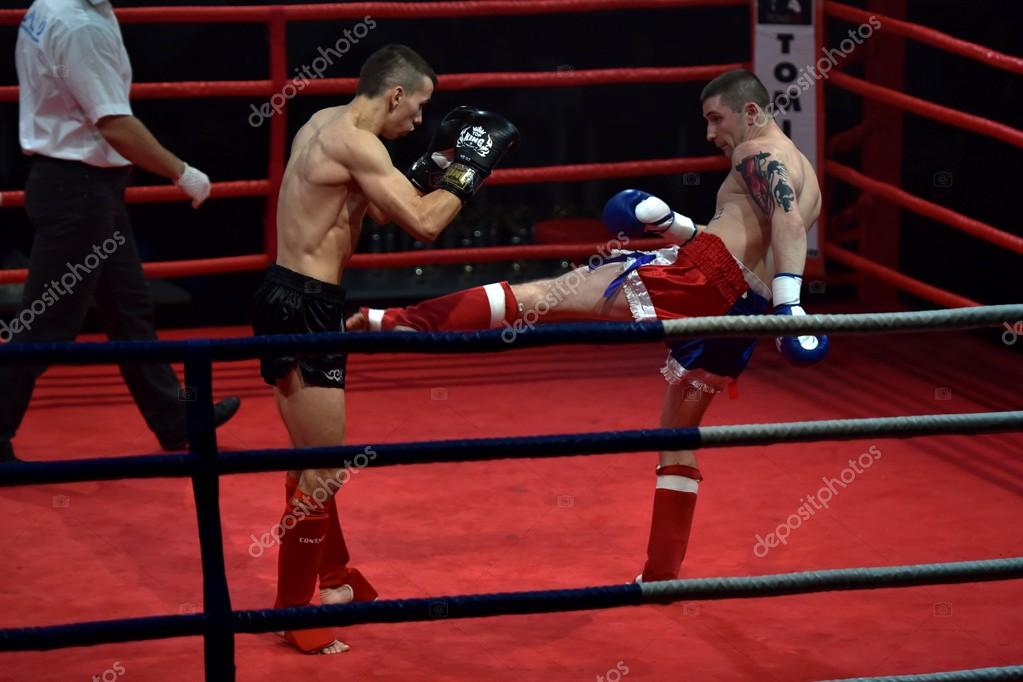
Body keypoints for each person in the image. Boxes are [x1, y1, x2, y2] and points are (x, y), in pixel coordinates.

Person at [347, 69, 827, 583]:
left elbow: (784, 221)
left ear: (751, 112)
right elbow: (754, 235)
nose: (711, 133)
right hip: (742, 307)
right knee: (677, 431)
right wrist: (672, 225)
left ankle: (399, 322)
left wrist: (791, 304)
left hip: (705, 279)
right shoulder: (807, 172)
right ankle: (661, 575)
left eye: (716, 119)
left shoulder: (757, 152)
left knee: (545, 295)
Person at [251, 43, 518, 654]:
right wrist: (471, 167)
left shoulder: (325, 123)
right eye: (418, 106)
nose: (421, 120)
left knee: (311, 460)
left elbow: (375, 206)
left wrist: (435, 163)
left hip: (290, 297)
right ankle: (294, 615)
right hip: (304, 306)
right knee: (323, 469)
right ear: (396, 93)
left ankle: (336, 583)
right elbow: (424, 223)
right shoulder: (358, 143)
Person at [1, 0, 240, 464]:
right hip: (77, 191)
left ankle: (175, 418)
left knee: (130, 310)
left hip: (82, 187)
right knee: (47, 325)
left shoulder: (50, 6)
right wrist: (181, 171)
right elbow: (115, 124)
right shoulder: (79, 26)